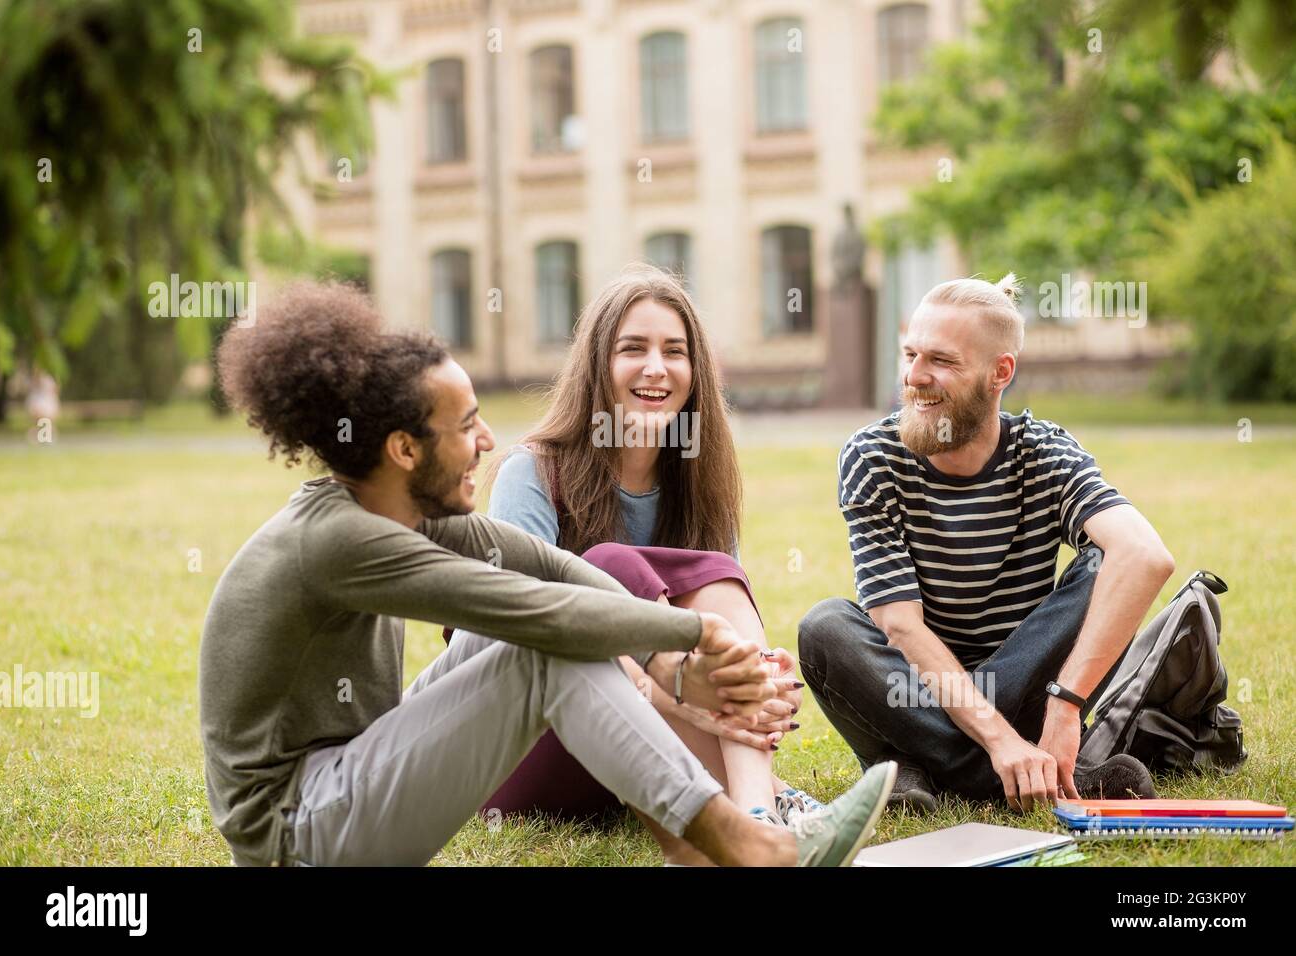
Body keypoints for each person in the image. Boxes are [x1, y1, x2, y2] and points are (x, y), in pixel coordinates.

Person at [199, 279, 897, 867]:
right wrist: (682, 647)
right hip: (297, 834)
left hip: (356, 770)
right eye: (467, 424)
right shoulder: (341, 540)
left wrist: (696, 648)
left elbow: (552, 569)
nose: (488, 440)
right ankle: (750, 847)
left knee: (561, 619)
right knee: (548, 646)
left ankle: (746, 821)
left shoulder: (408, 509)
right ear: (405, 449)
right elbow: (536, 611)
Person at [474, 266, 822, 864]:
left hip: (641, 770)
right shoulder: (532, 474)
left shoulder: (700, 484)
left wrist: (763, 685)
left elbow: (723, 631)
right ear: (597, 367)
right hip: (528, 751)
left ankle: (754, 812)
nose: (656, 368)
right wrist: (692, 698)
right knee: (609, 564)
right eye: (633, 348)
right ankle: (767, 802)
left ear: (696, 374)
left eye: (675, 352)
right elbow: (527, 639)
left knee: (711, 573)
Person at [798, 273, 1173, 815]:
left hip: (1028, 696)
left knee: (1104, 566)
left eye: (942, 362)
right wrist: (999, 742)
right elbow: (901, 626)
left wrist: (1065, 709)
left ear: (1001, 373)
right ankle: (1036, 771)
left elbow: (1146, 556)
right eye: (910, 354)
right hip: (920, 692)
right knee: (826, 627)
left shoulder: (1043, 451)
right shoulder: (872, 457)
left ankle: (913, 768)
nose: (914, 377)